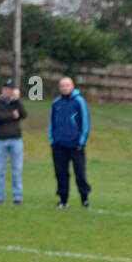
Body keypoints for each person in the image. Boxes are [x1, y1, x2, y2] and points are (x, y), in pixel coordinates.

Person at [49, 76, 90, 208]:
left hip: (75, 145)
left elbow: (85, 122)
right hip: (59, 145)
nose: (64, 88)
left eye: (67, 85)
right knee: (61, 174)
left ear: (72, 86)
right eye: (62, 86)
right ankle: (63, 200)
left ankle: (84, 199)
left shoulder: (79, 102)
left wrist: (81, 141)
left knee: (80, 174)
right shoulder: (56, 103)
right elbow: (51, 122)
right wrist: (52, 140)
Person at [0, 78, 27, 204]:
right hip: (0, 141)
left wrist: (17, 100)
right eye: (6, 88)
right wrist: (12, 115)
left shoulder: (16, 102)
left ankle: (17, 196)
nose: (8, 91)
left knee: (16, 170)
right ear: (2, 89)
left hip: (16, 141)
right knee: (0, 170)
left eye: (11, 89)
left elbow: (24, 115)